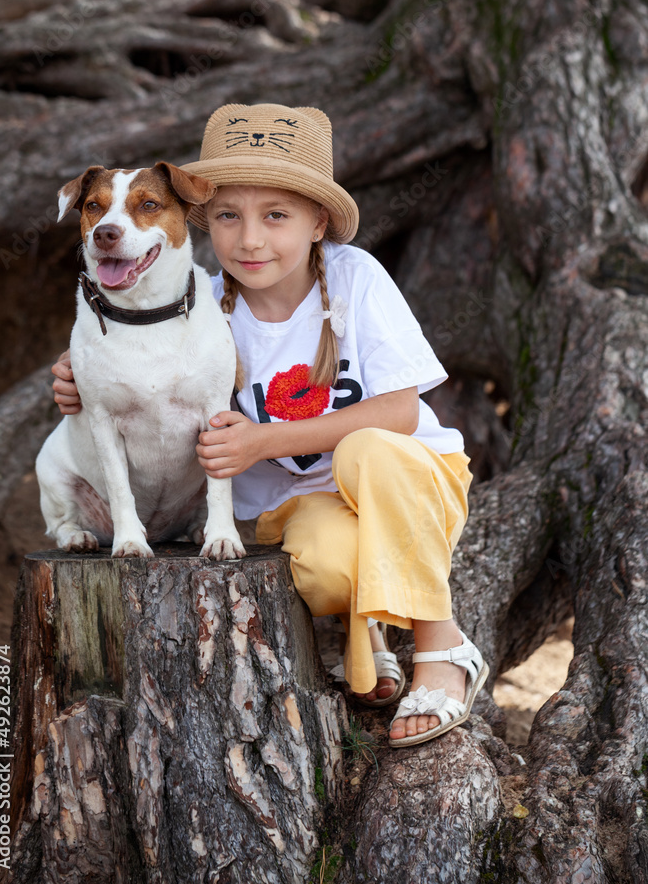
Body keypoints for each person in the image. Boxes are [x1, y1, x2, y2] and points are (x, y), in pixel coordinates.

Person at [51, 102, 488, 747]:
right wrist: (80, 370)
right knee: (316, 565)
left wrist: (265, 441)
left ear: (318, 223)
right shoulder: (200, 306)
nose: (250, 240)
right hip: (307, 500)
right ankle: (365, 640)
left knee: (368, 449)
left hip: (411, 483)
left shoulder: (353, 278)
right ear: (199, 222)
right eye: (228, 216)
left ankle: (442, 648)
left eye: (275, 216)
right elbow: (133, 354)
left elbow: (399, 413)